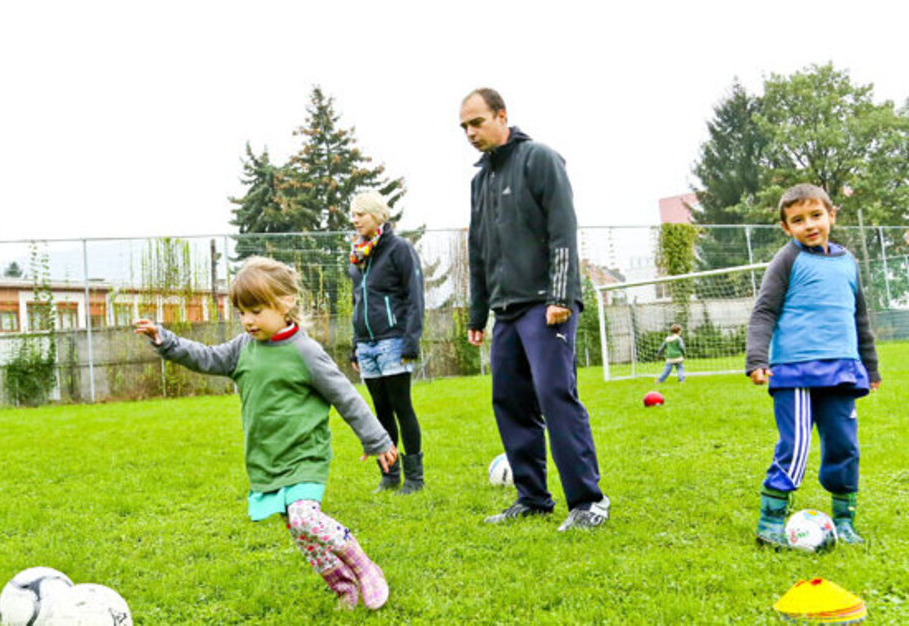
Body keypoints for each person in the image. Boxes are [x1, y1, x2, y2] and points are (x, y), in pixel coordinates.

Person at [134, 256, 398, 610]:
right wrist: (166, 341)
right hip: (267, 460)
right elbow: (205, 357)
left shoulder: (305, 352)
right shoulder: (243, 348)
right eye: (242, 312)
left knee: (306, 518)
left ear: (285, 303)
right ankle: (342, 586)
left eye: (255, 311)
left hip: (306, 456)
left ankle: (364, 567)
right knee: (301, 534)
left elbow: (345, 396)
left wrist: (377, 439)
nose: (247, 321)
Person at [459, 87, 610, 532]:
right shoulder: (480, 180)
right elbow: (479, 251)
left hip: (546, 304)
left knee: (554, 395)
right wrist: (476, 313)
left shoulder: (540, 159)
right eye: (464, 126)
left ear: (502, 116)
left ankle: (588, 501)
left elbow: (563, 229)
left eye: (477, 122)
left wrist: (561, 295)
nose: (470, 132)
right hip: (505, 310)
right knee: (508, 399)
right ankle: (532, 497)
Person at [746, 183, 880, 548]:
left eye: (816, 215)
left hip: (842, 370)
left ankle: (844, 519)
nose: (809, 225)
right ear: (786, 228)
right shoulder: (787, 260)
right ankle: (770, 519)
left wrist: (871, 368)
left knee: (844, 446)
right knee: (797, 444)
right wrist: (757, 359)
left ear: (832, 215)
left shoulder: (848, 262)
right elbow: (764, 312)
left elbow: (860, 319)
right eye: (798, 220)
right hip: (795, 371)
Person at [346, 191, 426, 494]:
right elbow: (357, 303)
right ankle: (390, 475)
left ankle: (415, 479)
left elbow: (415, 297)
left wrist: (411, 340)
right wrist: (355, 344)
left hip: (393, 341)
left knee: (402, 407)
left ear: (378, 215)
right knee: (380, 412)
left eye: (360, 214)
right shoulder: (358, 256)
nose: (355, 220)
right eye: (353, 215)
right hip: (366, 345)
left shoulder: (399, 249)